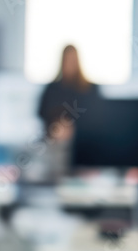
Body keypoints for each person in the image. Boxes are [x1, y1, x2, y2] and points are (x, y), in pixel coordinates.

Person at [34, 44, 99, 180]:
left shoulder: (89, 89)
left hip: (83, 145)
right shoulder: (52, 88)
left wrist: (73, 129)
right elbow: (41, 112)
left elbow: (97, 117)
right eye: (66, 60)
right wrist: (55, 126)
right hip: (54, 145)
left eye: (72, 60)